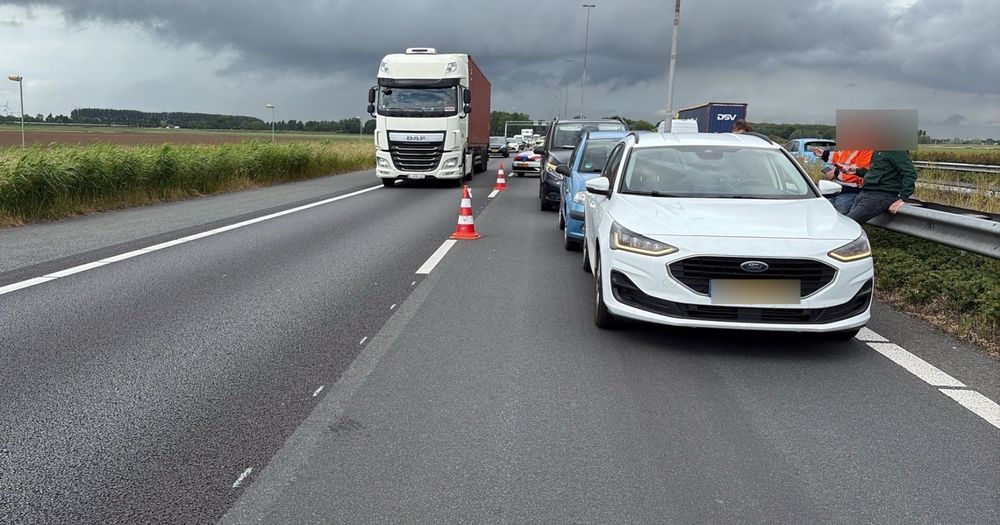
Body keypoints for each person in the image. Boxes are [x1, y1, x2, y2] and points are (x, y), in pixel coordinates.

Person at [843, 150, 917, 224]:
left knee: (848, 224)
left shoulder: (896, 150)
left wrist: (902, 198)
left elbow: (909, 173)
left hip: (881, 195)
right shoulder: (878, 151)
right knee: (848, 224)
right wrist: (857, 171)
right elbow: (876, 173)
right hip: (865, 192)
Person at [809, 146, 872, 214]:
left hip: (850, 192)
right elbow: (837, 157)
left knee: (842, 218)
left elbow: (858, 171)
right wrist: (824, 154)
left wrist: (836, 173)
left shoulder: (867, 150)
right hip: (835, 190)